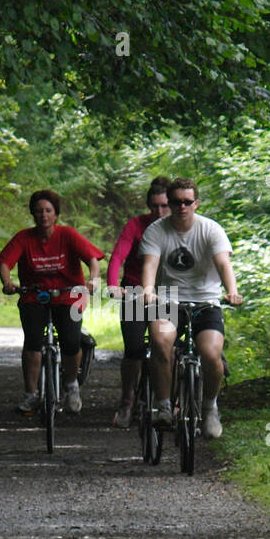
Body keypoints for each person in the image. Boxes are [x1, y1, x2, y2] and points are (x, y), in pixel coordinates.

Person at [139, 177, 243, 439]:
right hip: (169, 299)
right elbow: (150, 264)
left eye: (187, 202)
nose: (181, 207)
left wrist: (231, 290)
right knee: (161, 343)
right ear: (169, 203)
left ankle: (209, 408)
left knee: (211, 354)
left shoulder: (211, 229)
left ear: (196, 203)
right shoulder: (156, 230)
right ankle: (163, 406)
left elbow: (222, 263)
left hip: (206, 300)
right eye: (176, 202)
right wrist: (148, 290)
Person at [0, 189, 104, 415]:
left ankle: (71, 386)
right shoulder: (24, 238)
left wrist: (93, 280)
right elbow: (5, 263)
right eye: (38, 211)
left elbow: (92, 258)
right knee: (33, 341)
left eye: (48, 211)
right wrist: (7, 282)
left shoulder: (68, 235)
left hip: (69, 294)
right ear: (33, 215)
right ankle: (31, 394)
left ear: (55, 214)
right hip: (35, 294)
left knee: (71, 341)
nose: (43, 215)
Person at [105, 177, 171, 427]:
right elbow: (118, 255)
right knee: (133, 349)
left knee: (169, 348)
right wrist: (113, 285)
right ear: (148, 206)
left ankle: (170, 399)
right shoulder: (136, 225)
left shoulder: (176, 227)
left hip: (167, 292)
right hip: (134, 291)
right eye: (155, 206)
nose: (160, 212)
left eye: (165, 206)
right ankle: (127, 401)